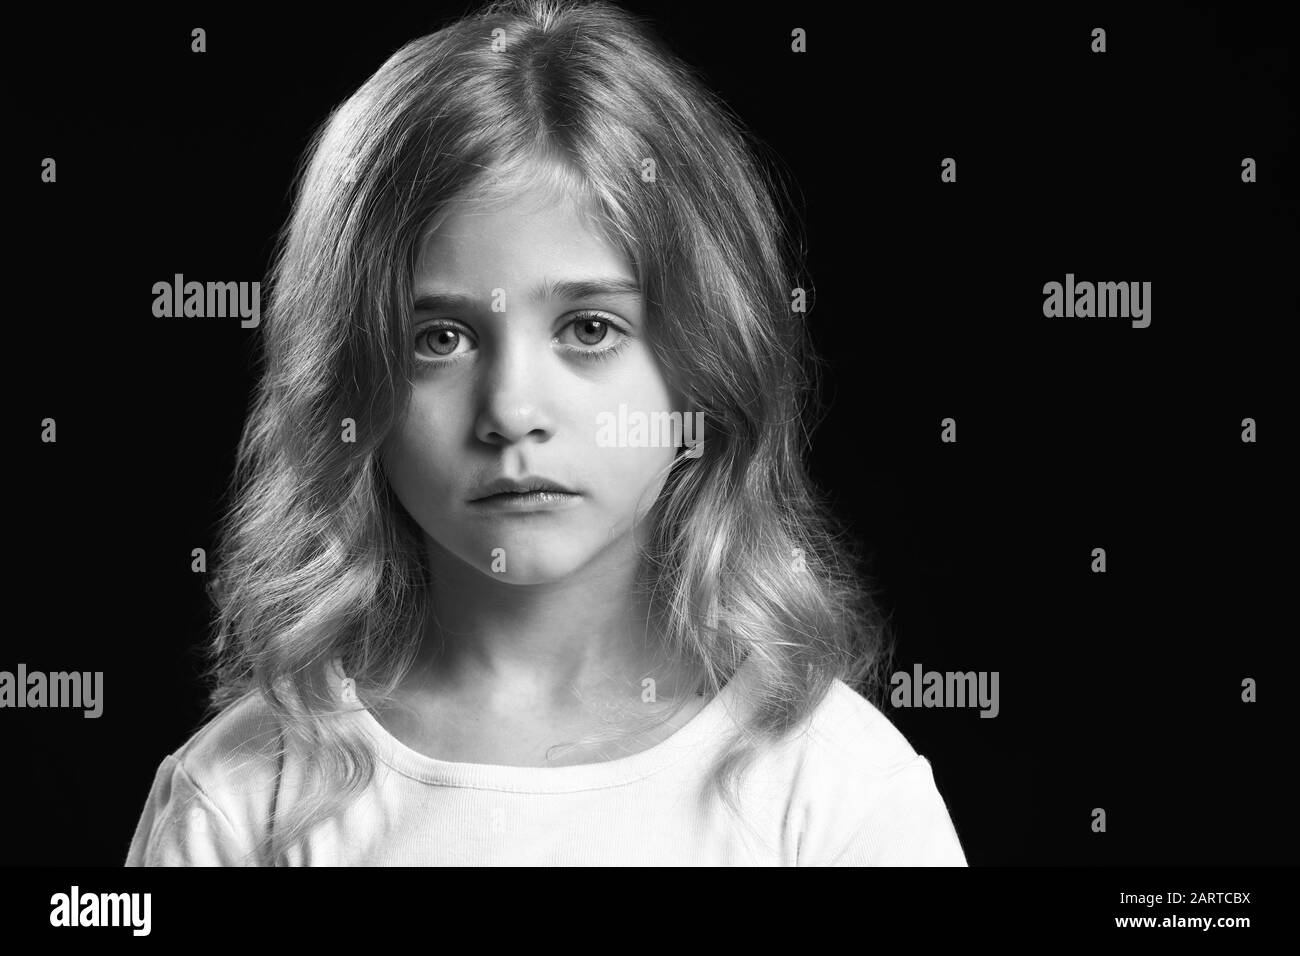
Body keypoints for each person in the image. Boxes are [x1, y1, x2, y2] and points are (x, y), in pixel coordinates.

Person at [125, 0, 967, 866]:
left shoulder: (837, 794)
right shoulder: (240, 799)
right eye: (438, 340)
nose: (512, 412)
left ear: (706, 359)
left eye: (590, 329)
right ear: (349, 379)